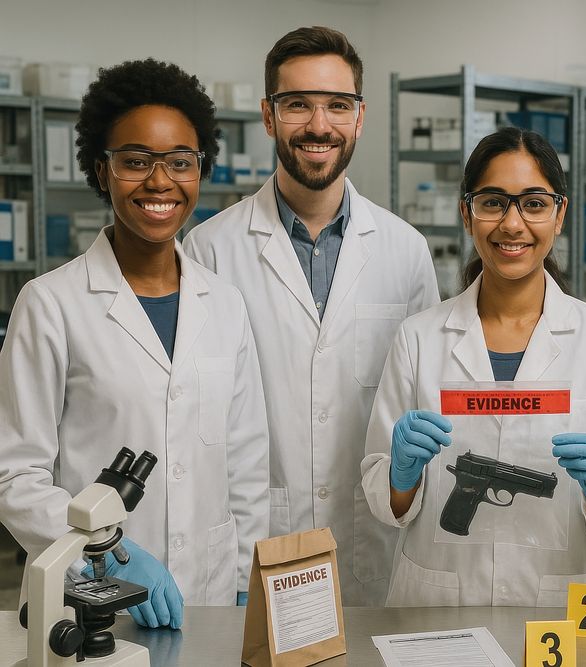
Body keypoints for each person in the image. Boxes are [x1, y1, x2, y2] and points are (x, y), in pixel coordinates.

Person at [0, 59, 269, 628]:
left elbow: (244, 461)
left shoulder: (225, 304)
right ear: (102, 171)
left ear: (201, 169)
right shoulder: (50, 304)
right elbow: (14, 477)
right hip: (87, 597)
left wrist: (248, 580)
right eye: (135, 161)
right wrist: (108, 548)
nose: (159, 181)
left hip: (207, 594)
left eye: (179, 162)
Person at [183, 26, 438, 607]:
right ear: (269, 116)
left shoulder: (405, 250)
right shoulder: (210, 251)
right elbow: (198, 425)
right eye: (297, 103)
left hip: (374, 540)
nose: (319, 125)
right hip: (260, 543)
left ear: (360, 117)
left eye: (337, 105)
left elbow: (419, 404)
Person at [361, 127, 586, 607]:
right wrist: (400, 476)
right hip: (437, 600)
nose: (513, 224)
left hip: (556, 607)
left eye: (535, 203)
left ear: (559, 214)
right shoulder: (419, 338)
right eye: (494, 202)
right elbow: (382, 496)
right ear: (467, 212)